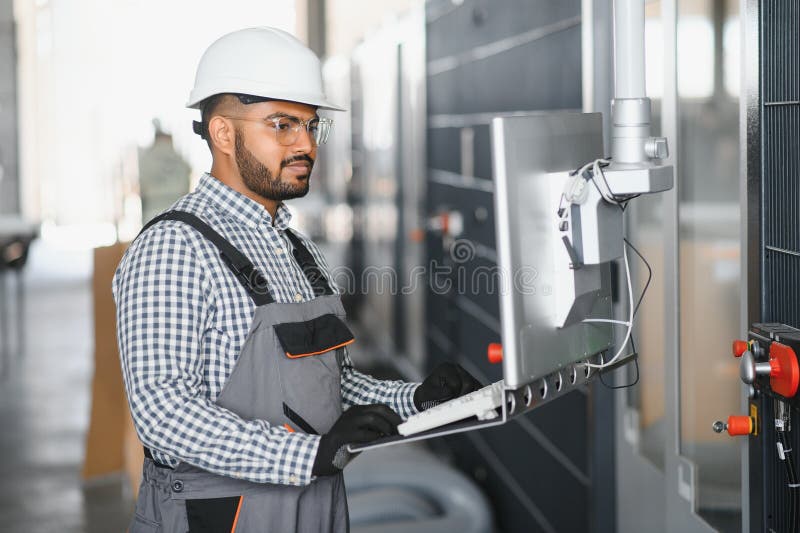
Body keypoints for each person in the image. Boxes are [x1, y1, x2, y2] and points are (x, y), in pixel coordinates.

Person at [113, 27, 482, 533]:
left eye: (311, 126)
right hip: (220, 517)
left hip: (315, 508)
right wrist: (310, 454)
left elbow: (329, 384)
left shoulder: (295, 248)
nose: (305, 143)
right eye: (282, 125)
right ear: (223, 133)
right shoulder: (174, 249)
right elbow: (164, 412)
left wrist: (416, 401)